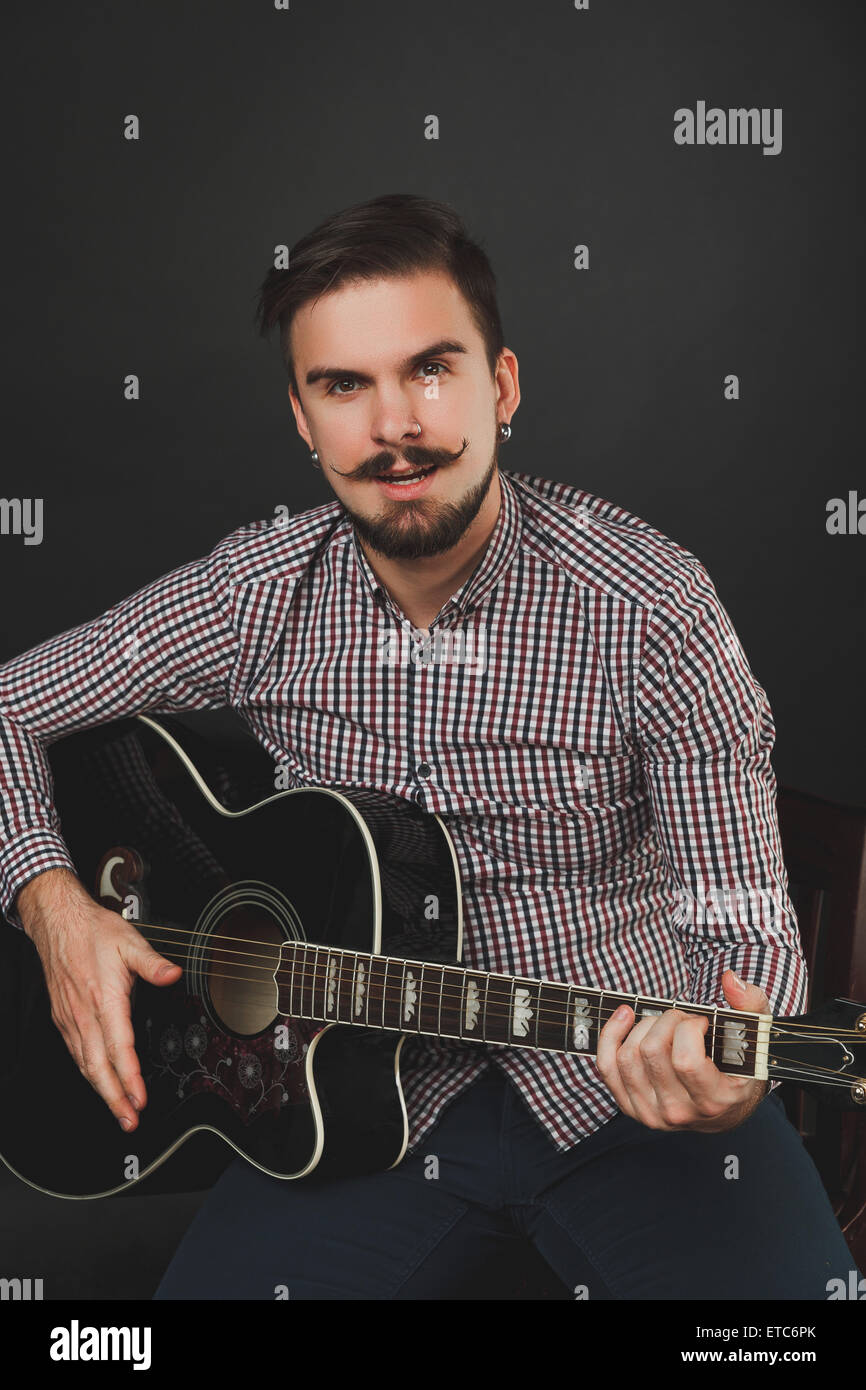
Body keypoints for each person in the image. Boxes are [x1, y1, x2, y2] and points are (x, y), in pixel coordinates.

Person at [0, 193, 857, 1299]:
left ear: (500, 385)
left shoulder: (648, 604)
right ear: (302, 423)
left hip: (629, 1094)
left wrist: (729, 1065)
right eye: (342, 386)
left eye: (430, 369)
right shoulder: (254, 592)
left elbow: (739, 907)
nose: (393, 424)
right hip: (345, 1106)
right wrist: (53, 905)